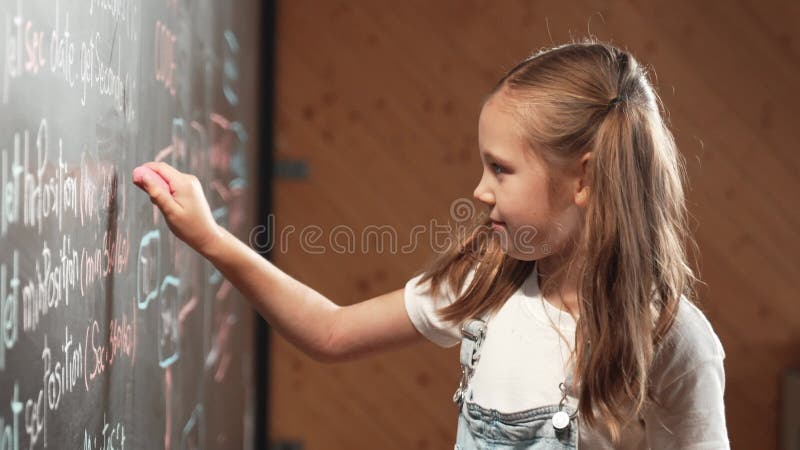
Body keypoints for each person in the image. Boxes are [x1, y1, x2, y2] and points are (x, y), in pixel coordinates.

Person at [133, 39, 729, 449]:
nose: (479, 190)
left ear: (586, 179)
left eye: (501, 170)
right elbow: (331, 332)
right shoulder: (485, 284)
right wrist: (211, 240)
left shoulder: (672, 340)